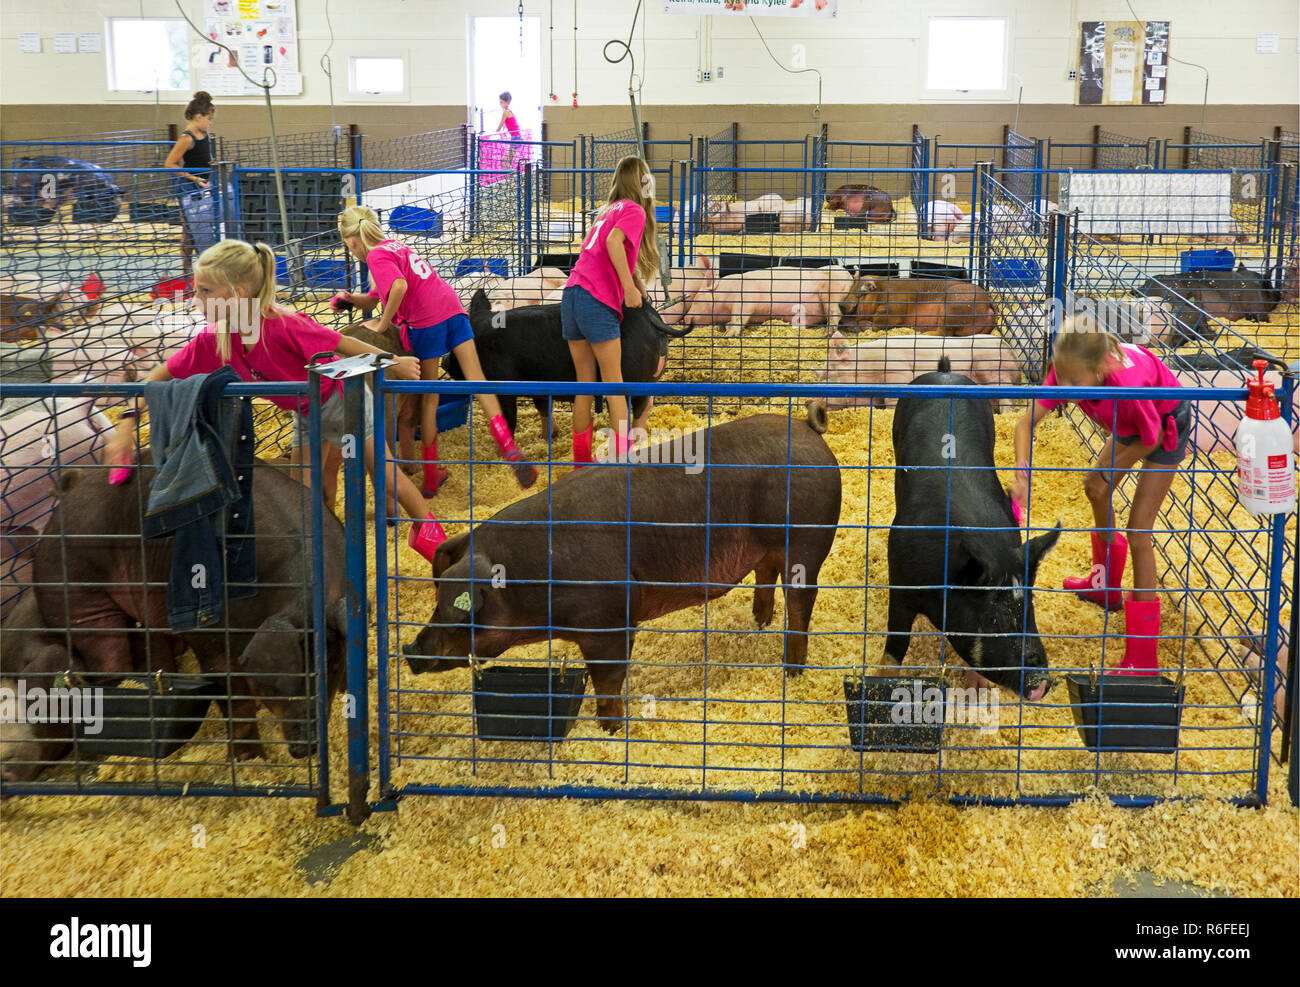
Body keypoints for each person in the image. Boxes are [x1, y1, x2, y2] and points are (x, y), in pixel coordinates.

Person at [105, 238, 450, 562]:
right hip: (304, 407)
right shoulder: (213, 340)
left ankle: (441, 548)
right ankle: (324, 554)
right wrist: (126, 424)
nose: (196, 300)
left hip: (340, 401)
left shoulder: (283, 324)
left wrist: (395, 362)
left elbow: (343, 344)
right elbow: (161, 375)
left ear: (238, 293)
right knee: (306, 490)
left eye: (206, 291)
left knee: (387, 478)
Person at [1011, 320, 1189, 674]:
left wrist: (1110, 470)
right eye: (1061, 378)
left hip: (1164, 422)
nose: (1065, 389)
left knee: (1139, 531)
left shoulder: (1126, 385)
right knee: (1094, 488)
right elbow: (1024, 423)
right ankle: (1104, 586)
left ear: (1101, 368)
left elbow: (1150, 438)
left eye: (1075, 383)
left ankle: (1143, 655)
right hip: (1127, 423)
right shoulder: (1068, 369)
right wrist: (1022, 472)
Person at [334, 205, 536, 495]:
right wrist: (351, 299)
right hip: (452, 308)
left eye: (347, 245)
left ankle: (430, 477)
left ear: (353, 241)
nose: (350, 251)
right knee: (479, 381)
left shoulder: (376, 256)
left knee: (429, 400)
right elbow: (376, 297)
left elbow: (399, 287)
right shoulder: (393, 247)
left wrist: (383, 325)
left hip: (427, 320)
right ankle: (509, 447)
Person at [560, 156, 659, 464]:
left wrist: (636, 281)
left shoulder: (605, 212)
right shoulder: (634, 209)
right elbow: (615, 245)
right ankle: (621, 465)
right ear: (642, 182)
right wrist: (628, 290)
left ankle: (580, 463)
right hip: (596, 301)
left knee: (585, 384)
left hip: (572, 296)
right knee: (614, 384)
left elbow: (595, 253)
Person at [163, 91, 216, 278]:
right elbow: (170, 163)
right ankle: (186, 272)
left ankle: (205, 269)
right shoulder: (186, 138)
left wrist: (214, 165)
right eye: (208, 119)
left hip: (204, 185)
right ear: (199, 117)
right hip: (189, 188)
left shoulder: (204, 134)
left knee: (204, 227)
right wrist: (194, 179)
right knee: (189, 231)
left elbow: (206, 155)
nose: (210, 123)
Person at [492, 91, 522, 167]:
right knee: (506, 162)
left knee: (506, 162)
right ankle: (511, 176)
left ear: (507, 102)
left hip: (516, 138)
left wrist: (493, 133)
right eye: (500, 102)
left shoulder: (505, 112)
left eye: (501, 102)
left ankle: (512, 177)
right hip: (516, 137)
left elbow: (500, 126)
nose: (500, 104)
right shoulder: (509, 112)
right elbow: (510, 125)